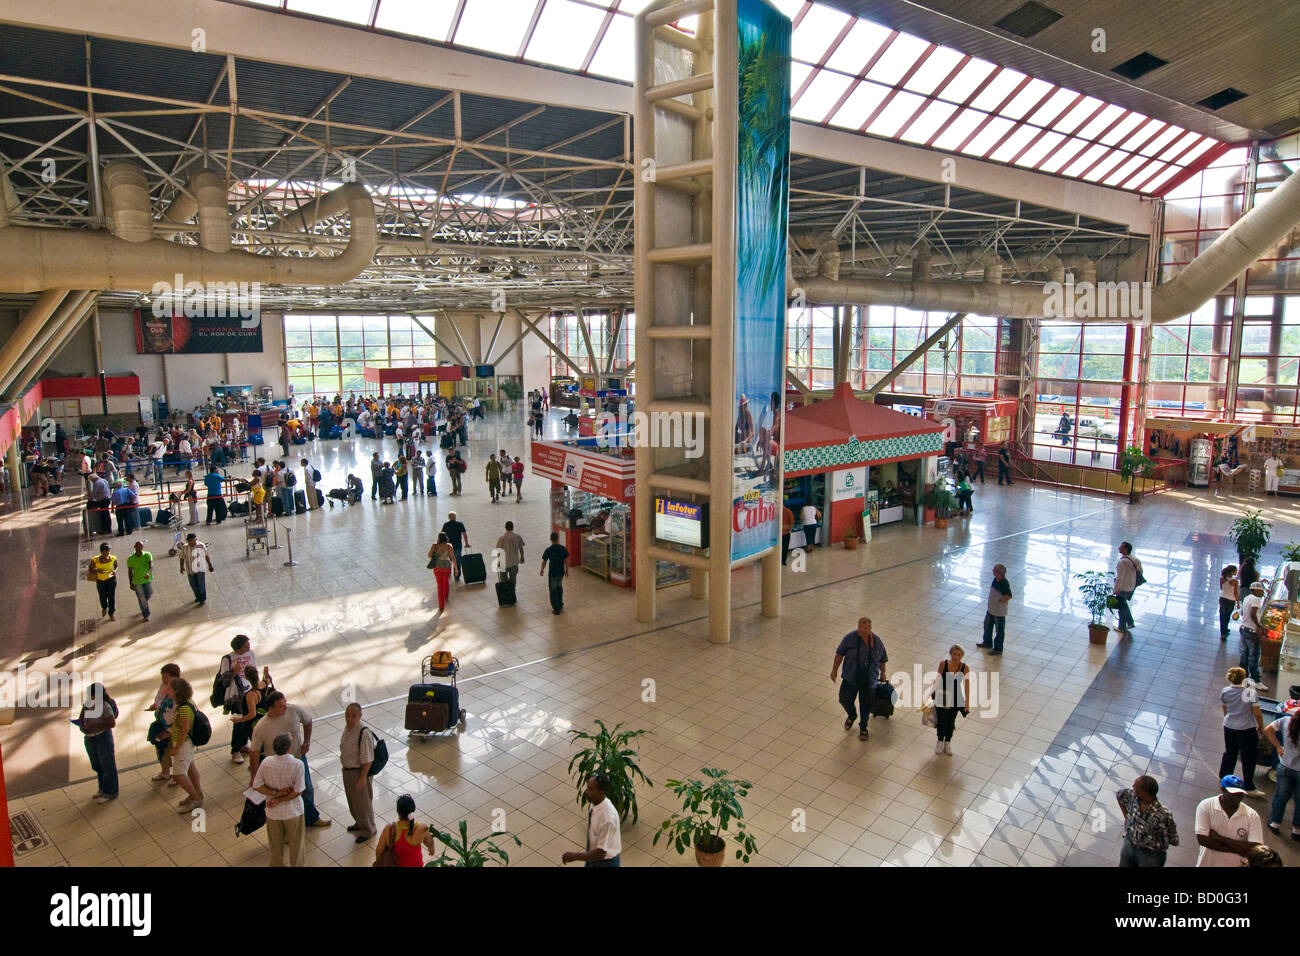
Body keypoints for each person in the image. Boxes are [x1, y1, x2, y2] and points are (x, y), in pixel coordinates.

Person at [248, 691, 330, 829]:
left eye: (285, 703)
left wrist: (307, 742)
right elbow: (254, 751)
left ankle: (310, 819)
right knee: (284, 794)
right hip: (276, 767)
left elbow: (308, 721)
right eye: (281, 706)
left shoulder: (294, 710)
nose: (285, 708)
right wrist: (254, 775)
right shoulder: (261, 726)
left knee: (307, 789)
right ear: (271, 708)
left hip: (298, 759)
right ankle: (288, 827)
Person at [252, 733, 307, 867]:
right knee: (296, 846)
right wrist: (280, 799)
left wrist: (274, 794)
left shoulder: (266, 762)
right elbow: (298, 791)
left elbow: (257, 785)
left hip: (273, 814)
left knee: (275, 848)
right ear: (289, 748)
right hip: (293, 812)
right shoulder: (297, 764)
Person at [831, 617, 888, 742]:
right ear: (858, 627)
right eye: (861, 628)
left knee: (866, 705)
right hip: (851, 677)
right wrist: (834, 670)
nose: (863, 630)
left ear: (870, 628)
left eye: (866, 628)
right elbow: (839, 654)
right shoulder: (849, 639)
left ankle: (863, 727)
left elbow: (883, 658)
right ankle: (852, 714)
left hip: (869, 680)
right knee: (844, 699)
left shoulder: (877, 642)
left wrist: (883, 673)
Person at [1195, 776, 1263, 867]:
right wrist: (1241, 849)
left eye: (1240, 793)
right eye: (1234, 793)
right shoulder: (1206, 806)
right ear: (1223, 789)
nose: (1237, 796)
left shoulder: (1252, 816)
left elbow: (1255, 849)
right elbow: (1203, 840)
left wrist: (1219, 838)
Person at [1220, 666, 1267, 797]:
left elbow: (1225, 708)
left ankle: (1223, 777)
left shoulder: (1225, 691)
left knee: (1230, 752)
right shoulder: (1250, 693)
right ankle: (1249, 787)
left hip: (1229, 726)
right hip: (1246, 729)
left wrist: (1228, 719)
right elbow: (1257, 713)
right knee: (1249, 757)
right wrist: (1261, 727)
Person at [1115, 775, 1179, 867]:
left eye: (1135, 786)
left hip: (1150, 855)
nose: (1132, 787)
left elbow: (1174, 840)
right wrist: (1127, 817)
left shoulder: (1163, 814)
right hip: (1129, 845)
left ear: (1144, 792)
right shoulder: (1132, 795)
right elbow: (1119, 795)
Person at [561, 773, 621, 866]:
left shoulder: (608, 818)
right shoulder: (594, 802)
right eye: (587, 788)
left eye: (591, 790)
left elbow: (601, 853)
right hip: (593, 858)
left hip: (606, 863)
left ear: (602, 792)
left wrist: (575, 856)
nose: (586, 792)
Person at [340, 703, 378, 844]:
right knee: (353, 801)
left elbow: (367, 760)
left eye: (353, 716)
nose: (349, 719)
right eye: (347, 715)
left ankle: (369, 829)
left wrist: (362, 778)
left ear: (360, 716)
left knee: (363, 803)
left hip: (359, 773)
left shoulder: (364, 732)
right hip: (348, 771)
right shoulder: (348, 729)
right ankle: (359, 823)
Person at [76, 683, 119, 804]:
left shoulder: (105, 706)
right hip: (90, 738)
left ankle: (111, 792)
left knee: (107, 765)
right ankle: (102, 788)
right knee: (97, 765)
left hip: (102, 737)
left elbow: (111, 723)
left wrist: (94, 726)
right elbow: (82, 717)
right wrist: (82, 726)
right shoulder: (88, 704)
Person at [166, 678, 204, 813]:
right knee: (190, 768)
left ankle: (195, 798)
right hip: (185, 743)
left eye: (170, 688)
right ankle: (197, 792)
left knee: (178, 775)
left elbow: (185, 729)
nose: (167, 690)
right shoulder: (187, 702)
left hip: (184, 744)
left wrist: (176, 748)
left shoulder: (184, 708)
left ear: (177, 691)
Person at [1264, 705, 1300, 838]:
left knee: (1281, 796)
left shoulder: (1286, 721)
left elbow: (1268, 729)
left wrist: (1278, 747)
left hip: (1285, 765)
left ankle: (1275, 824)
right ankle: (1296, 830)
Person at [927, 644, 969, 755]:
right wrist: (931, 692)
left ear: (962, 656)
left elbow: (967, 685)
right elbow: (938, 678)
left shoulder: (965, 668)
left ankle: (948, 742)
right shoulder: (943, 664)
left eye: (959, 655)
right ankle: (940, 741)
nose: (956, 657)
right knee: (942, 720)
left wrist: (967, 702)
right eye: (954, 654)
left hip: (956, 697)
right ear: (950, 654)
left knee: (951, 721)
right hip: (943, 695)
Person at [376, 794, 438, 867]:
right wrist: (431, 849)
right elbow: (429, 843)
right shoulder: (422, 828)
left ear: (398, 811)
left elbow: (379, 850)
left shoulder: (389, 829)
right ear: (413, 809)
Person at [146, 664, 180, 783]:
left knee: (175, 751)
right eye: (163, 677)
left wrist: (170, 730)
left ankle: (178, 775)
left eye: (166, 677)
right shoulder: (164, 686)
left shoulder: (179, 691)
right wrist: (156, 706)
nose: (163, 680)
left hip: (173, 727)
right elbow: (159, 699)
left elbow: (179, 714)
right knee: (162, 749)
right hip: (161, 722)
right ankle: (165, 772)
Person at [228, 665, 266, 764]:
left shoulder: (251, 695)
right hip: (265, 720)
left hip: (255, 725)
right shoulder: (265, 684)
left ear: (246, 678)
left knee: (257, 747)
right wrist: (266, 674)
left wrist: (239, 720)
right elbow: (268, 679)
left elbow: (252, 714)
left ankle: (258, 765)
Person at [976, 564, 1013, 654]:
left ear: (999, 572)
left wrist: (1000, 602)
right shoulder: (995, 579)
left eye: (994, 570)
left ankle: (998, 649)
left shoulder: (1004, 583)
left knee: (999, 630)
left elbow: (1009, 595)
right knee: (987, 626)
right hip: (991, 609)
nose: (992, 571)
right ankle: (987, 642)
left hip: (999, 612)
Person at [1239, 580, 1267, 687]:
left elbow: (1243, 612)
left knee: (1244, 655)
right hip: (1252, 632)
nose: (1262, 594)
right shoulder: (1256, 599)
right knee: (1254, 657)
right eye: (1261, 591)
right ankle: (1256, 680)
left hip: (1243, 629)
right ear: (1256, 591)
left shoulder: (1246, 598)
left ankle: (1242, 677)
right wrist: (1259, 626)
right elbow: (1253, 614)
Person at [1113, 541, 1142, 637]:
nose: (1119, 548)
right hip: (1131, 586)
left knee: (1122, 605)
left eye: (1121, 547)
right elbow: (1140, 572)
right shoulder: (1135, 560)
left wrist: (1116, 589)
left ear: (1125, 549)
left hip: (1123, 587)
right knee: (1122, 604)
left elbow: (1120, 577)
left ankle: (1129, 623)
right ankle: (1122, 626)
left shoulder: (1122, 562)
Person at [178, 532, 214, 607]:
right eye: (189, 540)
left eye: (192, 540)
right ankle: (197, 596)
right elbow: (182, 557)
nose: (190, 542)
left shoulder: (201, 545)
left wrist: (210, 565)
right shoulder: (185, 547)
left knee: (201, 584)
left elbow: (206, 555)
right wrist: (181, 567)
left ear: (195, 539)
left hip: (200, 568)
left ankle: (202, 599)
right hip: (190, 569)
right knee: (193, 584)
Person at [540, 531, 570, 615]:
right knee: (559, 587)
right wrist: (567, 570)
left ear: (551, 540)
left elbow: (544, 561)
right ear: (558, 539)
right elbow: (565, 560)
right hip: (560, 572)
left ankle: (556, 608)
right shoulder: (562, 548)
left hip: (552, 573)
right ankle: (560, 604)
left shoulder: (549, 550)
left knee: (553, 590)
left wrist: (542, 570)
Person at [428, 532, 458, 613]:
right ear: (446, 538)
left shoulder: (434, 546)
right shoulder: (449, 546)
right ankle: (446, 596)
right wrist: (456, 569)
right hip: (446, 568)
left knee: (439, 586)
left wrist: (435, 553)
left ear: (438, 538)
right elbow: (453, 558)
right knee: (446, 583)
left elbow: (429, 555)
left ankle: (441, 606)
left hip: (437, 568)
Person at [88, 542, 118, 621]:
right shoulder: (95, 559)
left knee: (111, 596)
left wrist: (115, 571)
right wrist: (97, 570)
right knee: (102, 596)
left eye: (109, 551)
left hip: (111, 580)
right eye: (106, 551)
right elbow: (90, 569)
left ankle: (111, 613)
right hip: (100, 581)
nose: (108, 552)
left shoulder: (113, 558)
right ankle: (104, 607)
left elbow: (116, 566)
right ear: (102, 552)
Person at [126, 540, 154, 621]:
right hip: (137, 581)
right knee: (142, 598)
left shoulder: (147, 554)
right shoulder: (130, 559)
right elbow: (130, 571)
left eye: (141, 546)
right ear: (134, 547)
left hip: (147, 579)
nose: (139, 548)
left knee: (148, 594)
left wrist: (148, 573)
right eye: (137, 546)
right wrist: (130, 582)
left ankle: (143, 604)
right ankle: (146, 614)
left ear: (142, 547)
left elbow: (151, 565)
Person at [496, 521, 525, 587]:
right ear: (512, 527)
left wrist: (498, 562)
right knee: (513, 580)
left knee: (503, 580)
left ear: (505, 528)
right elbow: (521, 548)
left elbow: (499, 551)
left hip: (504, 563)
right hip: (514, 562)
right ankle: (512, 592)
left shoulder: (501, 538)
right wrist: (522, 557)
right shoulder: (517, 537)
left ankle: (505, 593)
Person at [441, 512, 469, 581]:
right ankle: (457, 575)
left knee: (449, 559)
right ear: (455, 517)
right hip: (457, 545)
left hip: (448, 546)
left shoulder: (446, 525)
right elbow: (464, 534)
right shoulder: (459, 524)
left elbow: (442, 535)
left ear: (449, 517)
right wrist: (466, 543)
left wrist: (442, 544)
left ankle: (448, 572)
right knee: (457, 560)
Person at [1218, 565, 1240, 642]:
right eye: (1235, 571)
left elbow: (1221, 588)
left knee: (1222, 615)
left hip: (1222, 598)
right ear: (1232, 572)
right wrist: (1238, 602)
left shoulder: (1222, 579)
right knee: (1227, 615)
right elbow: (1236, 593)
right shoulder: (1235, 581)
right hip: (1231, 600)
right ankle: (1225, 629)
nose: (1236, 572)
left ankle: (1222, 632)